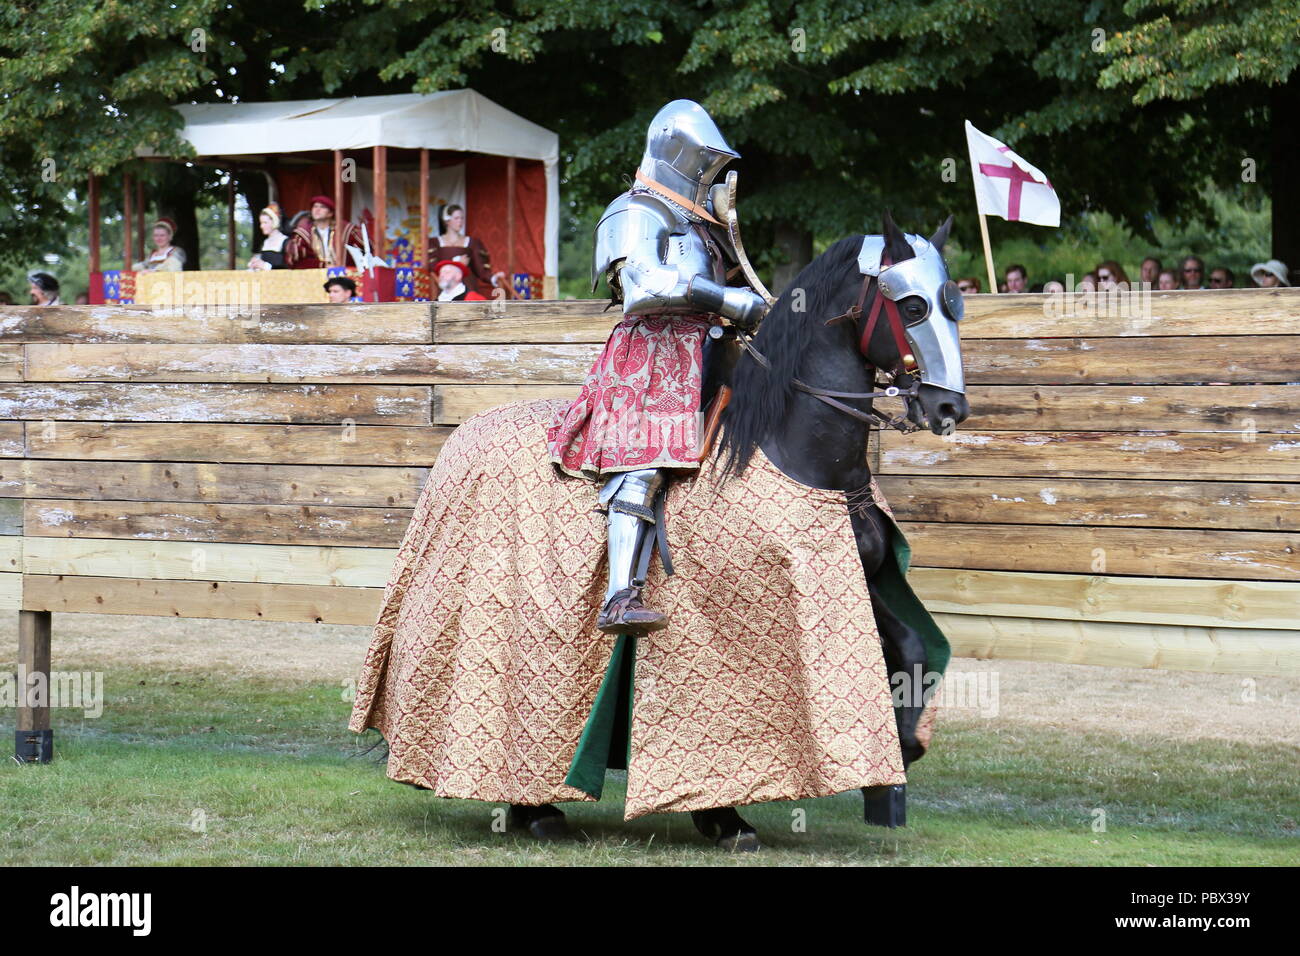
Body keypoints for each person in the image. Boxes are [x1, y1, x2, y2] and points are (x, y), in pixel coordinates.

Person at [546, 99, 768, 635]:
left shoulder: (704, 225)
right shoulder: (637, 210)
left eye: (713, 166)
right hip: (651, 355)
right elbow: (641, 289)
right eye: (701, 162)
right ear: (673, 154)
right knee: (643, 461)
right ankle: (620, 597)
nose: (707, 175)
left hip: (711, 351)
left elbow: (736, 287)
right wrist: (730, 303)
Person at [429, 204, 504, 297]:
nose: (460, 221)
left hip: (467, 287)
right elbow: (433, 267)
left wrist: (493, 278)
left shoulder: (472, 242)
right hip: (445, 288)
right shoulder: (435, 243)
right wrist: (458, 264)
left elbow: (480, 268)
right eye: (456, 218)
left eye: (462, 218)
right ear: (447, 220)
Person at [287, 195, 368, 269]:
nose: (317, 210)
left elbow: (361, 255)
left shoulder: (346, 230)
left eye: (322, 207)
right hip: (314, 276)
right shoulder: (304, 233)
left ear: (330, 213)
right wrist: (323, 266)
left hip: (342, 276)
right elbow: (298, 260)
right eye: (315, 206)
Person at [248, 202, 289, 270]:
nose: (261, 226)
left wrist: (265, 266)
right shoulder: (265, 243)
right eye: (261, 223)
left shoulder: (285, 242)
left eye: (265, 222)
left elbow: (288, 268)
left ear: (274, 222)